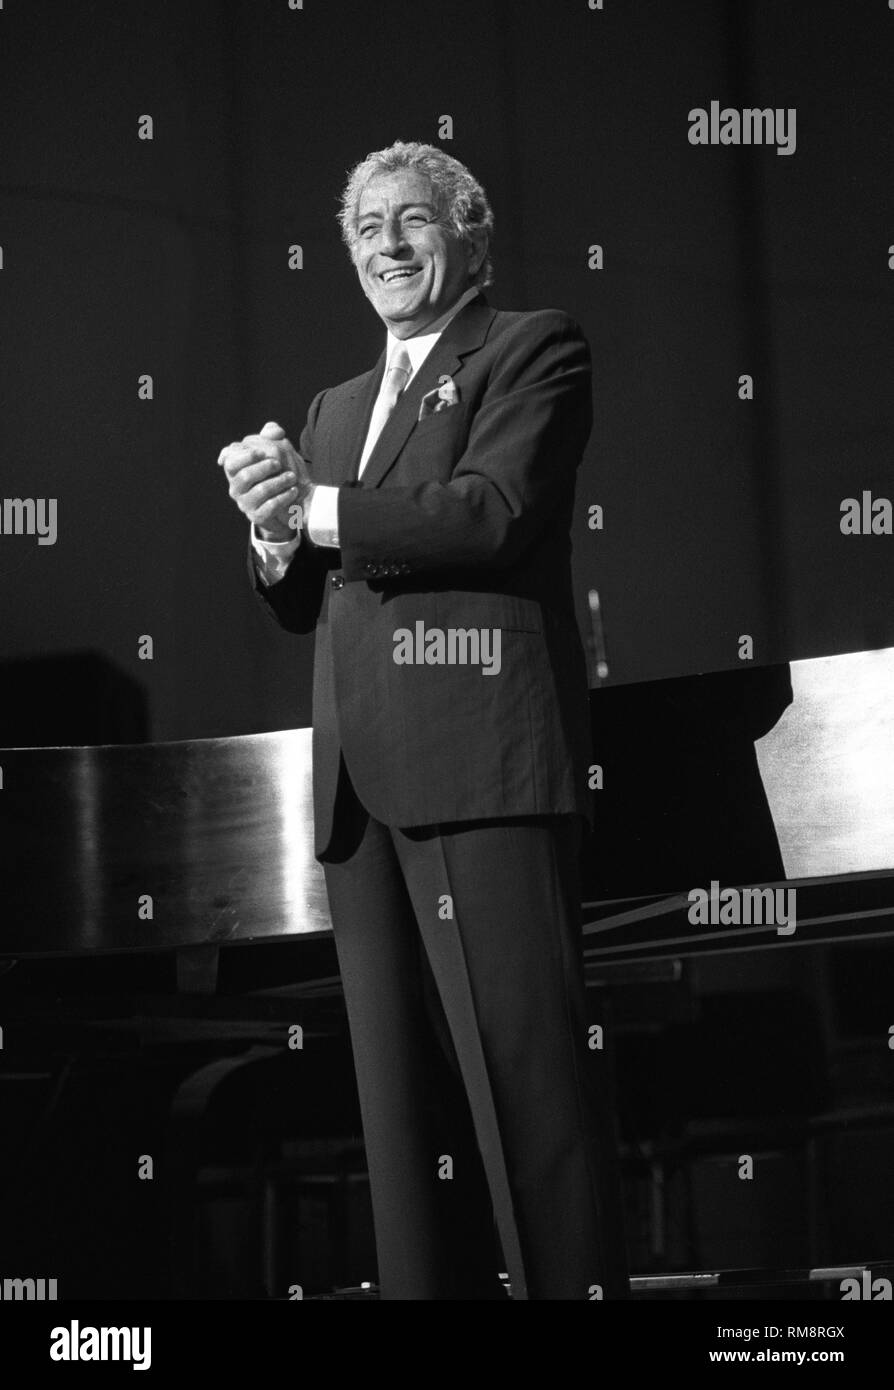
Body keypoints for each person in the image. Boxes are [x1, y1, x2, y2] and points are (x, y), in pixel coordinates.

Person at [218, 140, 627, 1300]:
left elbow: (491, 514)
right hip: (360, 798)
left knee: (530, 1106)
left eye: (412, 221)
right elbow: (304, 595)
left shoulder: (532, 347)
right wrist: (271, 528)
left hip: (486, 775)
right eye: (365, 231)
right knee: (404, 1137)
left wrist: (322, 507)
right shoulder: (334, 407)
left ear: (472, 235)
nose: (386, 246)